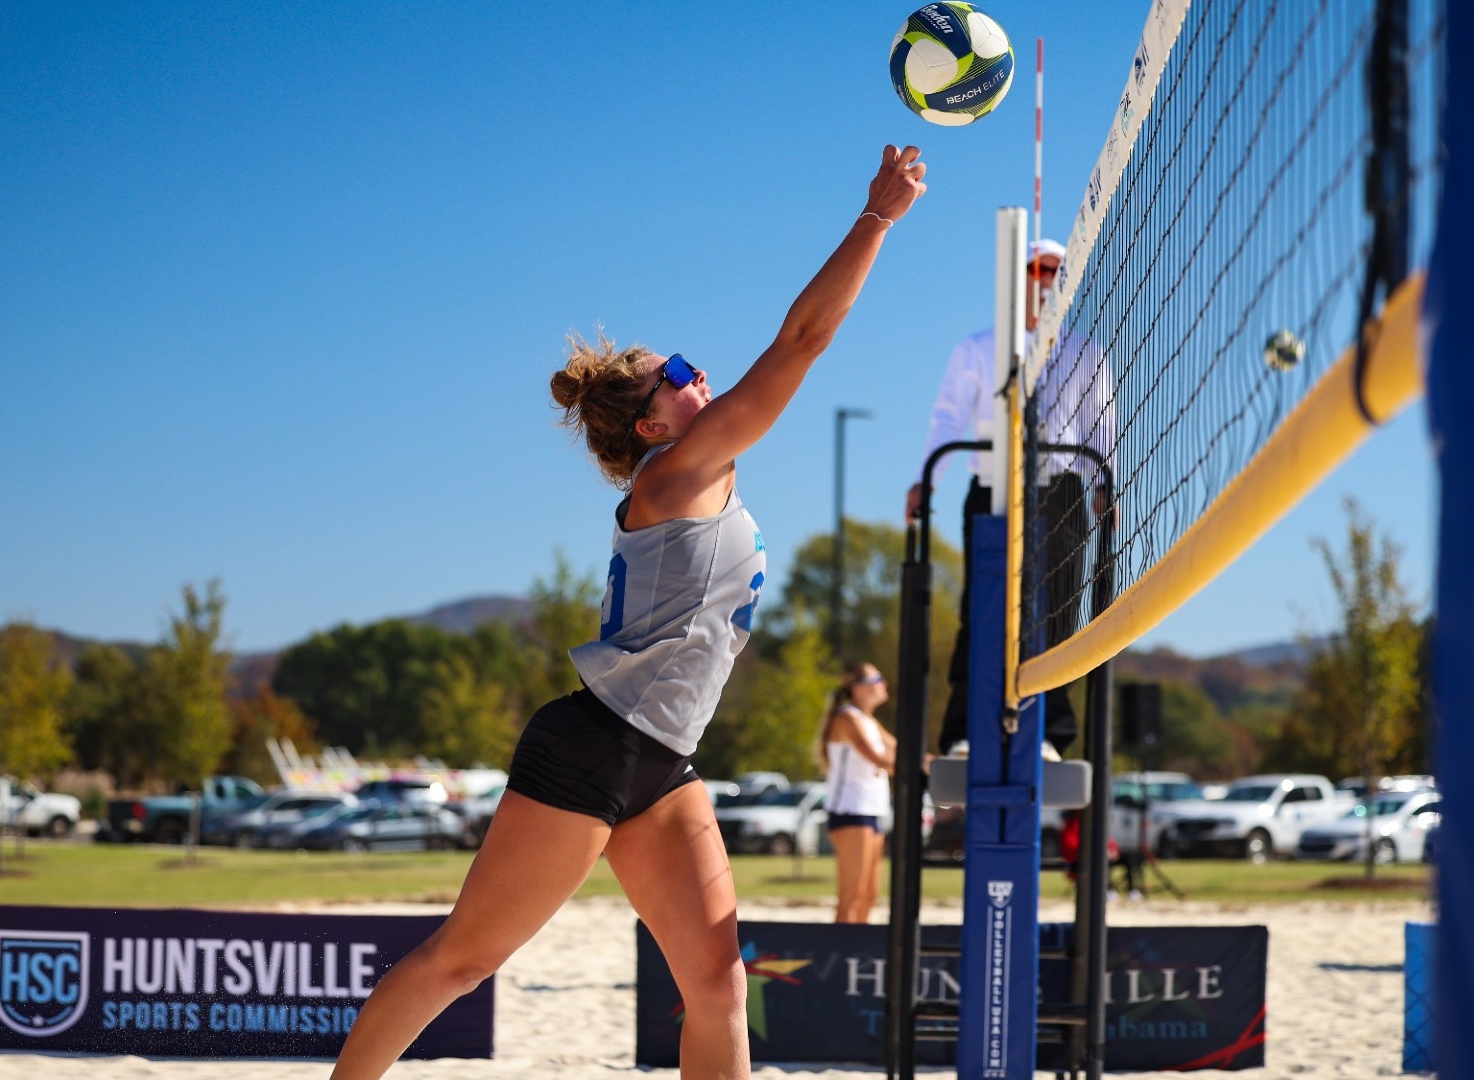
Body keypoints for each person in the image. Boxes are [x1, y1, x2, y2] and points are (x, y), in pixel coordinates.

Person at [328, 145, 927, 1080]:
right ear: (651, 425)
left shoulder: (701, 472)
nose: (701, 374)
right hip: (595, 743)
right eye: (679, 371)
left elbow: (788, 353)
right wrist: (876, 219)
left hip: (662, 762)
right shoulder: (674, 472)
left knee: (721, 985)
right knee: (466, 959)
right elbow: (801, 344)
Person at [907, 238, 1113, 759]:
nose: (1045, 279)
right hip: (993, 486)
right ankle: (965, 733)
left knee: (1059, 613)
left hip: (1062, 491)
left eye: (1055, 270)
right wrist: (925, 480)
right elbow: (948, 418)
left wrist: (1105, 487)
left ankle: (1047, 733)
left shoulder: (1085, 351)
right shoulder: (977, 348)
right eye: (1036, 269)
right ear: (1016, 278)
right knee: (983, 609)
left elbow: (1102, 429)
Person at [814, 663, 895, 924]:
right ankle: (839, 957)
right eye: (878, 678)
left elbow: (902, 751)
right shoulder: (846, 717)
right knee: (852, 895)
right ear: (857, 688)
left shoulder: (869, 720)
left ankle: (855, 955)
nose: (884, 684)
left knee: (870, 894)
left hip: (872, 812)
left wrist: (937, 763)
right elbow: (879, 758)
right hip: (851, 811)